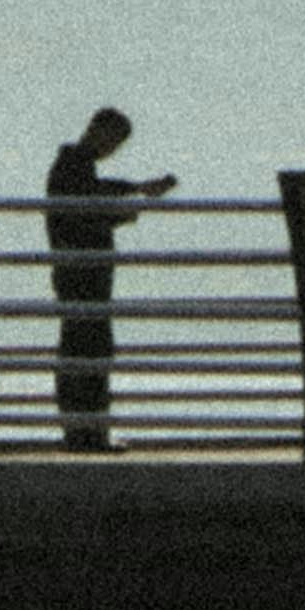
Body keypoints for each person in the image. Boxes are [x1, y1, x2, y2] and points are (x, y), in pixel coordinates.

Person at [40, 106, 178, 453]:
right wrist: (123, 211)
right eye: (113, 141)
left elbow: (96, 194)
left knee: (82, 347)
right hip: (83, 274)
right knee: (89, 349)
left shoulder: (73, 167)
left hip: (79, 274)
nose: (112, 149)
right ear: (99, 131)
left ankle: (83, 432)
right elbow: (85, 214)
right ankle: (88, 434)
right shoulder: (72, 169)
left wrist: (136, 190)